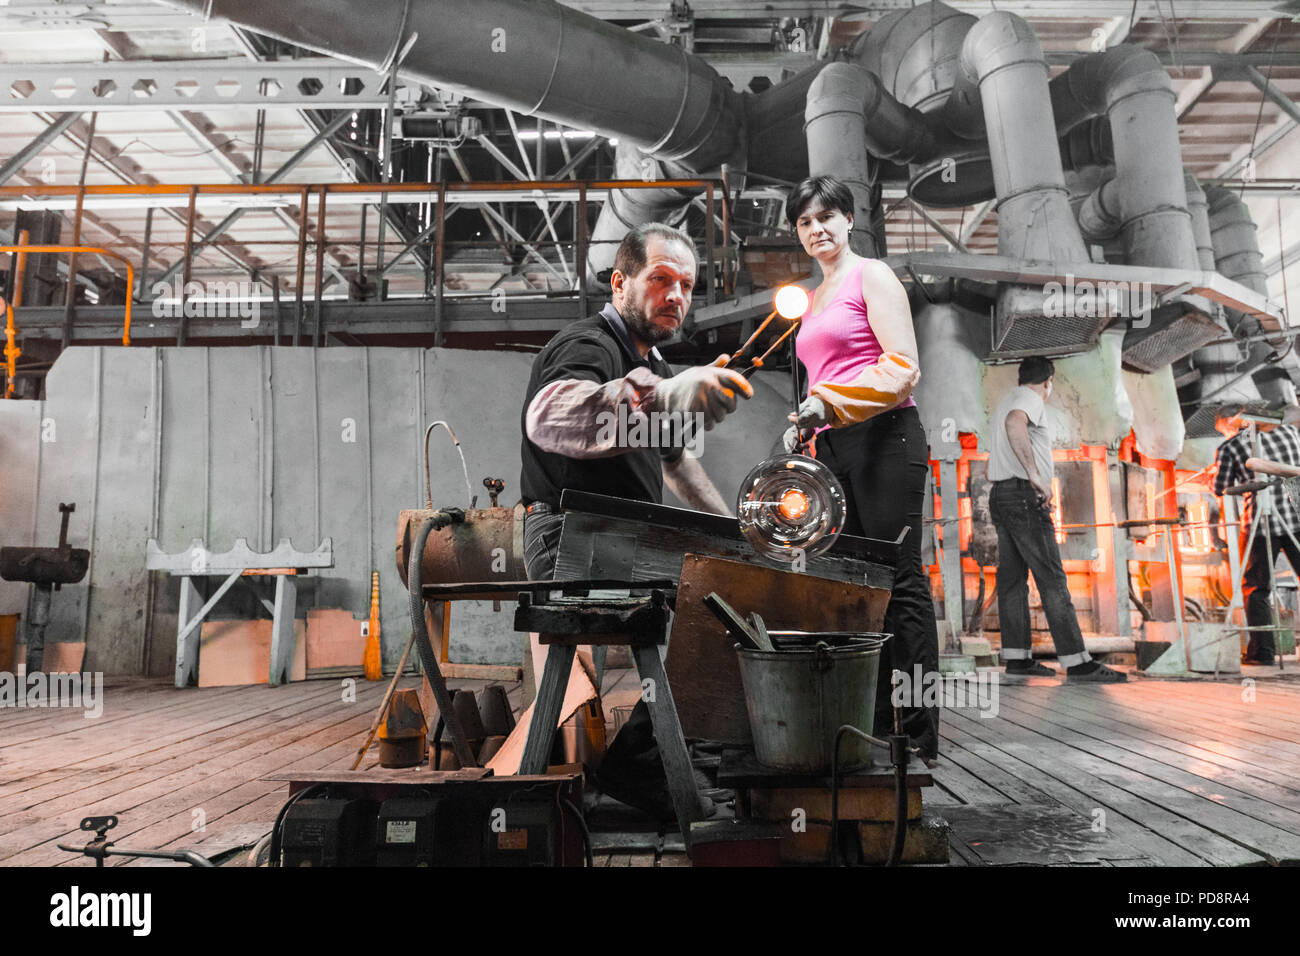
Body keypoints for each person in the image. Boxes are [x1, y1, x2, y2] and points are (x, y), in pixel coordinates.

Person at [519, 221, 752, 817]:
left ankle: (661, 752)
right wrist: (665, 395)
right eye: (661, 279)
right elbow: (549, 418)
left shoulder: (651, 362)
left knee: (743, 580)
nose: (676, 295)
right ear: (620, 282)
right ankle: (646, 761)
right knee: (731, 601)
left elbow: (676, 460)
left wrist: (735, 534)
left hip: (616, 536)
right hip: (570, 537)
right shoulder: (589, 345)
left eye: (687, 285)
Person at [781, 175, 940, 763]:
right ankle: (873, 723)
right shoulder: (814, 298)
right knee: (855, 590)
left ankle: (918, 732)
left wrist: (831, 402)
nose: (817, 229)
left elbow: (901, 369)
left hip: (886, 437)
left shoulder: (871, 275)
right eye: (804, 222)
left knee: (899, 581)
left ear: (850, 219)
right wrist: (807, 422)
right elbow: (823, 378)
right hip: (835, 446)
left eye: (827, 217)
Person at [987, 357, 1125, 681]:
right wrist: (1035, 476)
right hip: (1022, 497)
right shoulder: (1028, 399)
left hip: (1002, 495)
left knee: (1011, 580)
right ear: (1049, 380)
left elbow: (1001, 438)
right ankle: (1077, 662)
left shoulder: (1004, 399)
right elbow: (1014, 423)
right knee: (1051, 577)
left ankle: (1018, 658)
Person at [1213, 403, 1300, 665]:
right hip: (1298, 515)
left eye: (1223, 430)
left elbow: (1222, 488)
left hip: (1263, 526)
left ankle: (1263, 654)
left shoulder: (1230, 447)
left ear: (1231, 422)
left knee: (1256, 589)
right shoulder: (1290, 433)